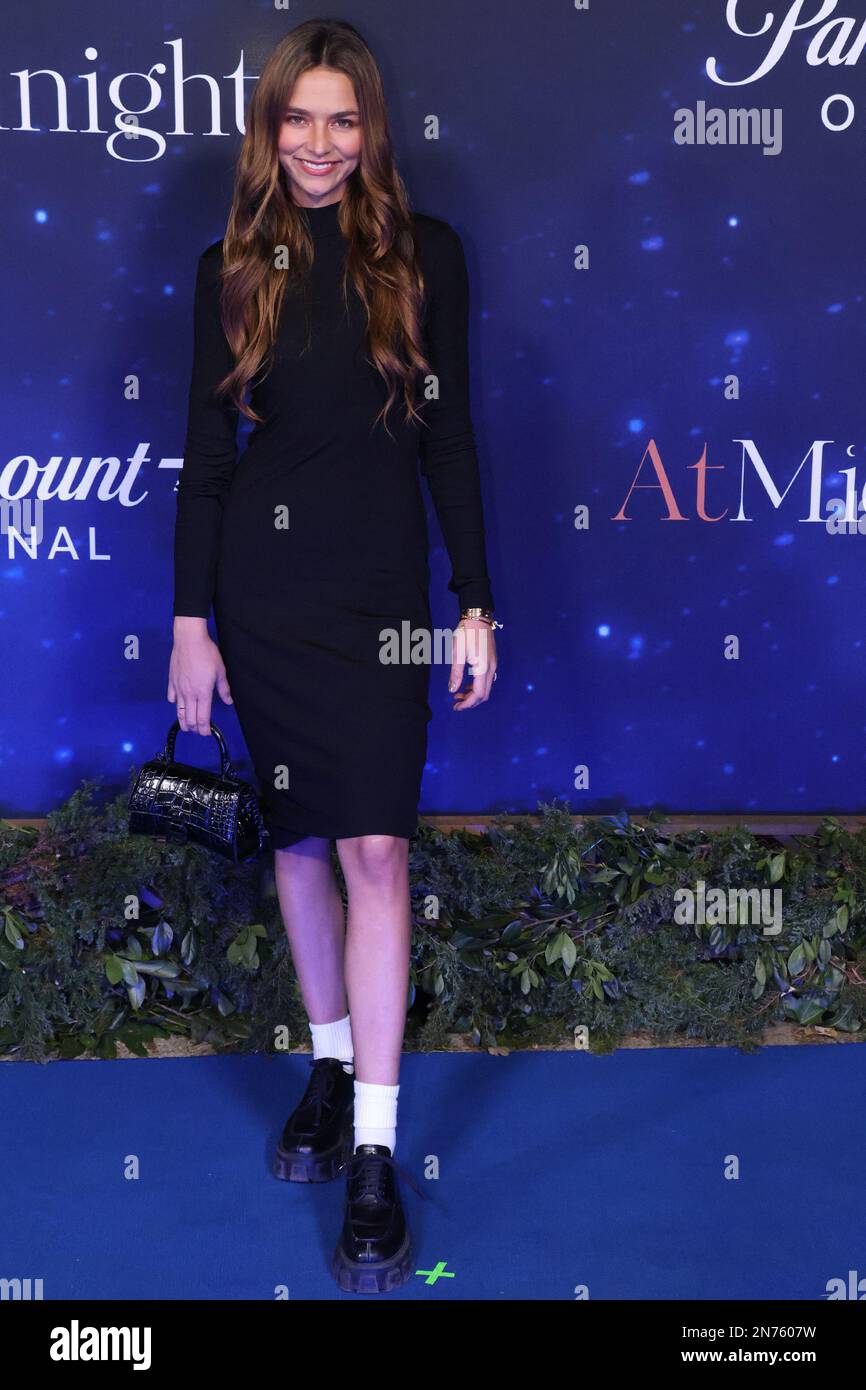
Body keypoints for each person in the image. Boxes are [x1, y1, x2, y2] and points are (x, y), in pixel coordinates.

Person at [167, 17, 499, 1295]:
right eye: (296, 120)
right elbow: (206, 465)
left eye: (341, 120)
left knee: (376, 846)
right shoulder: (227, 269)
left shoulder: (426, 258)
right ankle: (324, 1059)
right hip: (263, 594)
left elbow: (450, 438)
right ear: (269, 129)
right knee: (299, 840)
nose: (318, 145)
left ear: (371, 130)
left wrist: (475, 598)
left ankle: (372, 1154)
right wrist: (193, 625)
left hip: (378, 599)